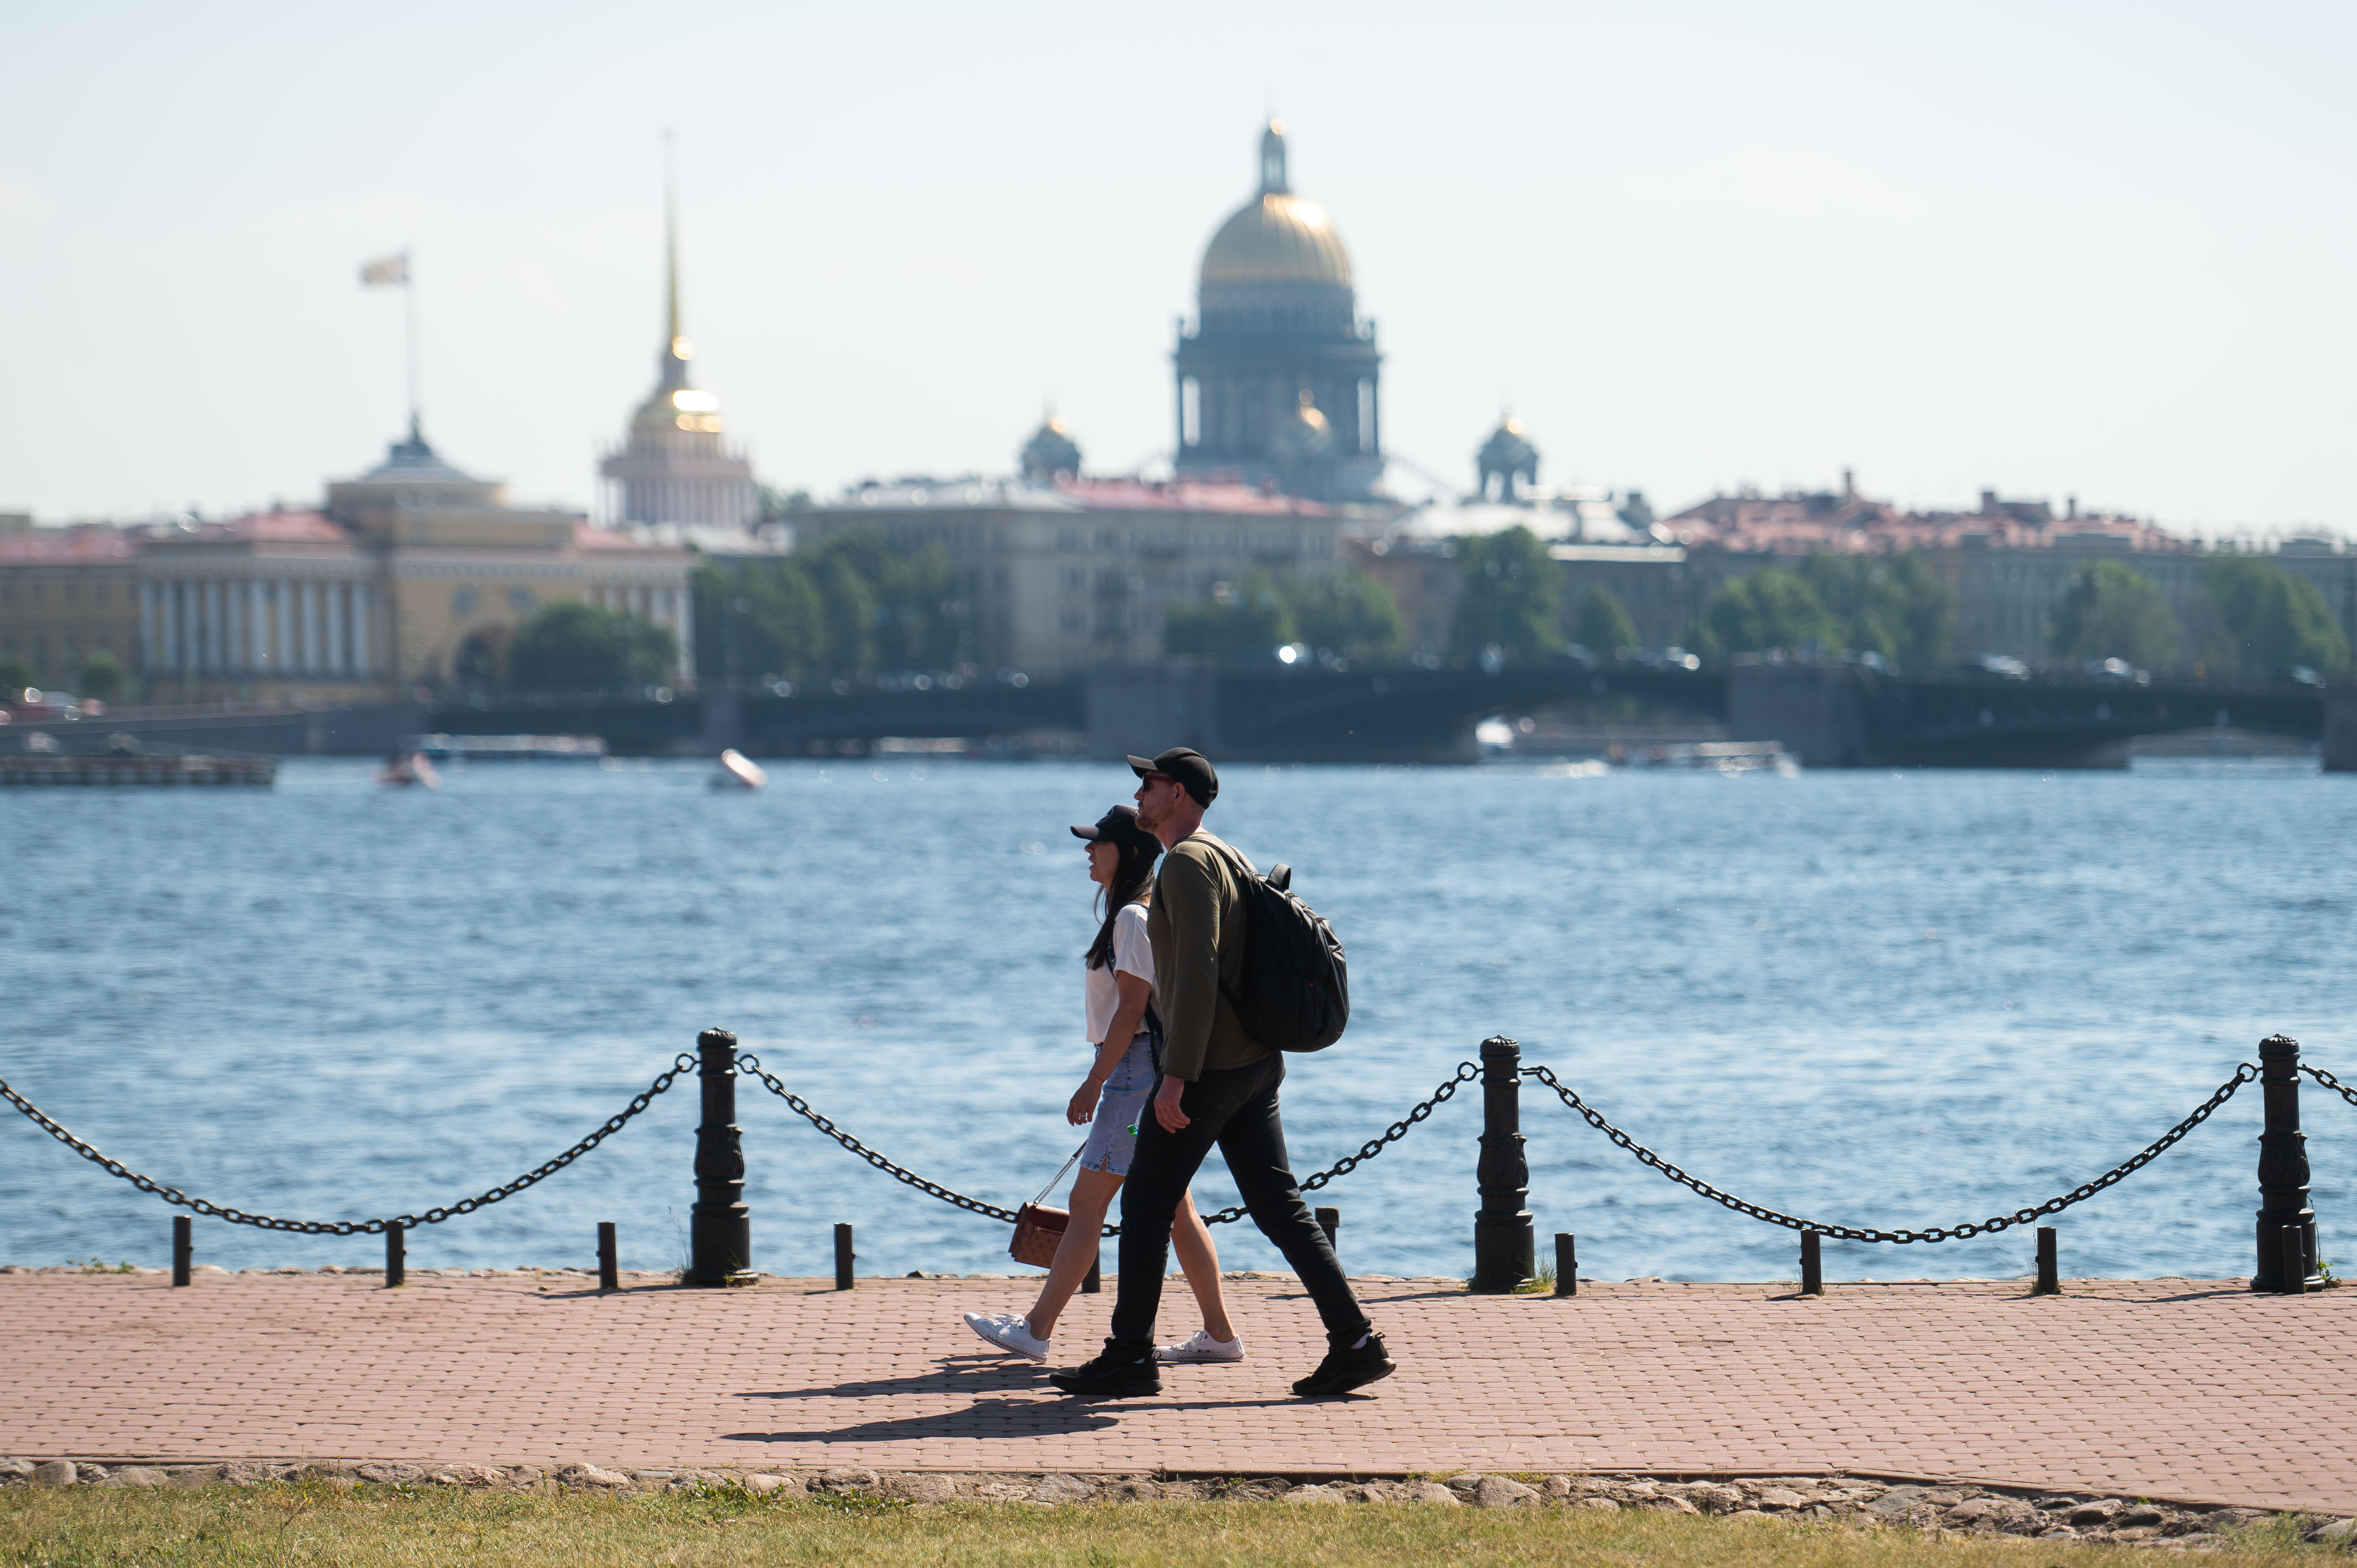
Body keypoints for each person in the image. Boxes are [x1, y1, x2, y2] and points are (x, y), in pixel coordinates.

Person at [1048, 748, 1395, 1400]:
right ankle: (1355, 1342)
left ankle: (1128, 1357)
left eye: (1146, 784)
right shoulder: (1224, 853)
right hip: (1256, 1061)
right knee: (1279, 1206)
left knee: (1146, 1204)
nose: (1139, 794)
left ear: (1175, 793)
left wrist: (1175, 1076)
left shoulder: (1184, 864)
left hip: (1211, 1065)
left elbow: (1199, 972)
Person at [961, 804, 1243, 1365]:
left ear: (1131, 851)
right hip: (1145, 1068)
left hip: (1134, 1070)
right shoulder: (1132, 916)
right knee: (1177, 1209)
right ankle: (1219, 1334)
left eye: (1099, 843)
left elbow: (1133, 1008)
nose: (1088, 851)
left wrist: (1094, 1082)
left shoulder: (1131, 919)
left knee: (1086, 1201)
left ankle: (1036, 1330)